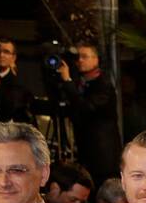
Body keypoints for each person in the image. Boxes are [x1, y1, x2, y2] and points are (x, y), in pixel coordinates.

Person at [52, 43, 121, 184]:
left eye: (85, 56)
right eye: (78, 57)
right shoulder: (81, 82)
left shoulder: (103, 84)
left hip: (103, 157)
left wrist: (67, 81)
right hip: (85, 153)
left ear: (96, 60)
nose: (80, 60)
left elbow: (86, 107)